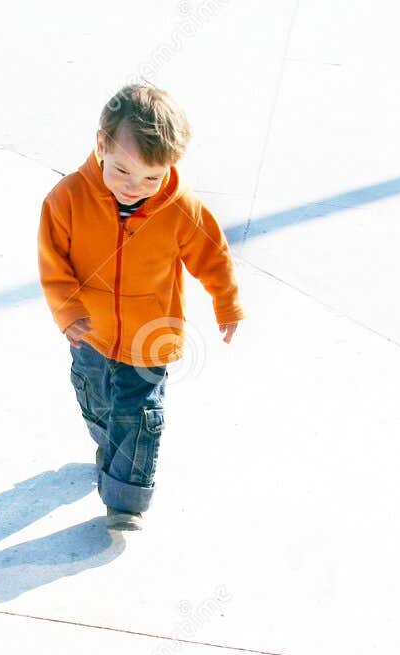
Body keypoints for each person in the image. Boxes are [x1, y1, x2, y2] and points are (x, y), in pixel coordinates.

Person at [37, 83, 245, 530]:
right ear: (100, 145)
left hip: (150, 336)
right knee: (97, 400)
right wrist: (68, 311)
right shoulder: (67, 200)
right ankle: (106, 440)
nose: (136, 188)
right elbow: (53, 262)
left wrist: (226, 303)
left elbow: (213, 256)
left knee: (139, 416)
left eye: (152, 177)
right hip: (88, 332)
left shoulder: (180, 208)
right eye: (122, 172)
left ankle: (125, 500)